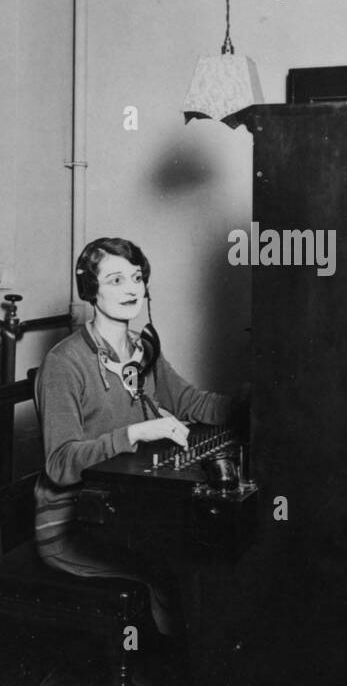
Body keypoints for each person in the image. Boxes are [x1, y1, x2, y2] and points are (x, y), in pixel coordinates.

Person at [33, 236, 238, 636]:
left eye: (137, 278)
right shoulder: (63, 362)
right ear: (90, 290)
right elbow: (59, 464)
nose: (131, 289)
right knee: (178, 567)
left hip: (121, 508)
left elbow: (190, 402)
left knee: (204, 555)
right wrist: (137, 431)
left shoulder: (143, 349)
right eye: (114, 280)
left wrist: (260, 409)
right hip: (71, 523)